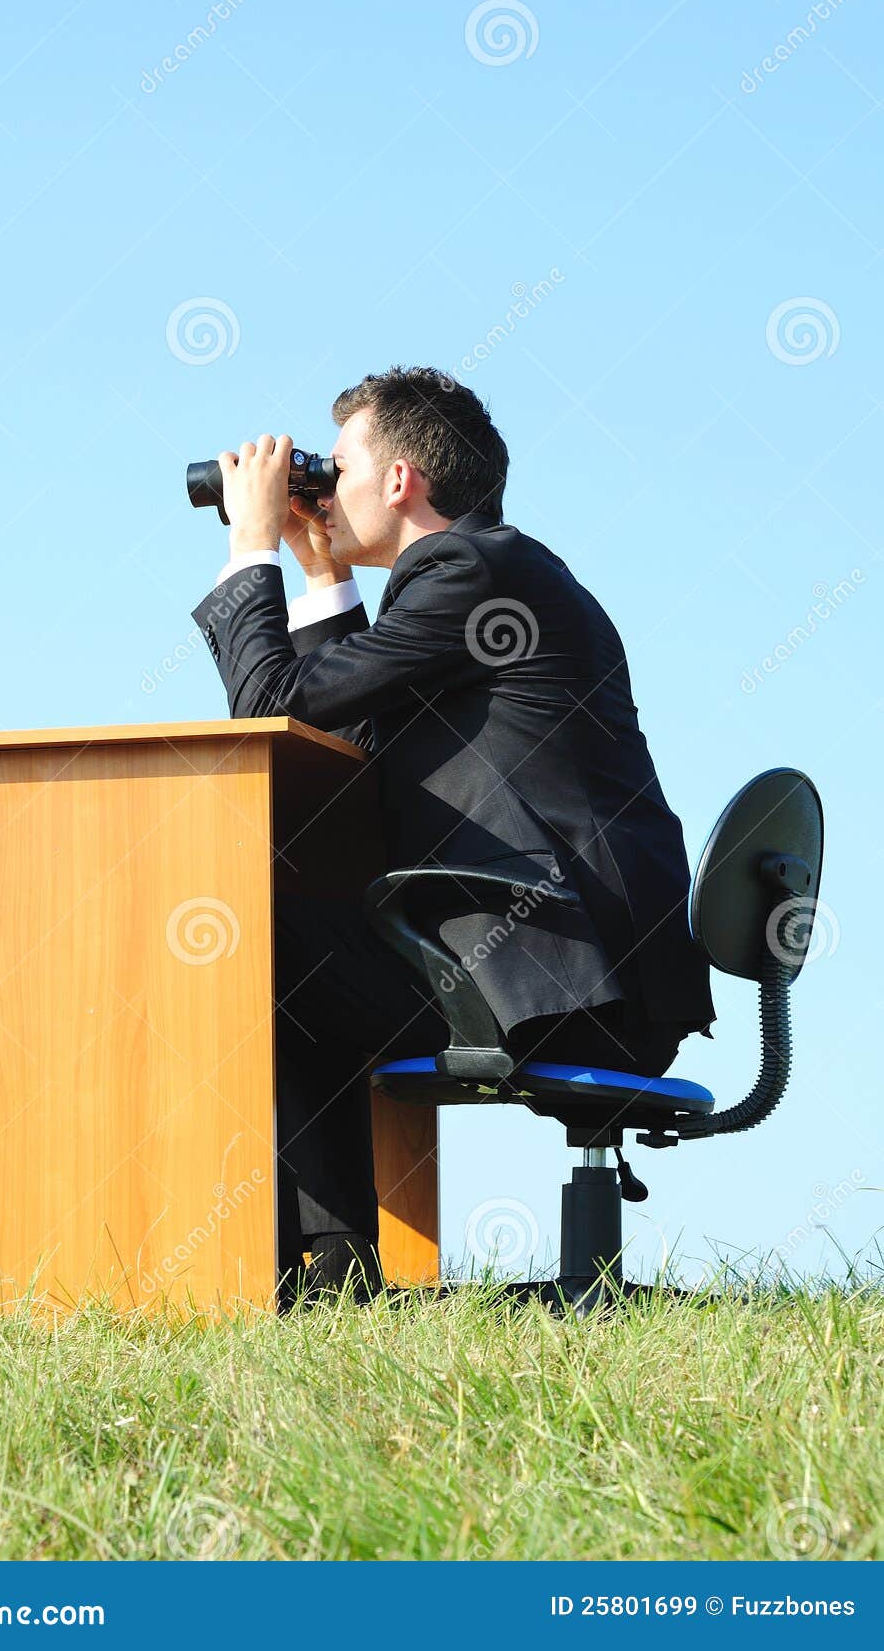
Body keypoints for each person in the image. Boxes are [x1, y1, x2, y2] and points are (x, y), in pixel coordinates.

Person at [190, 367, 714, 1301]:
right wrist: (319, 571)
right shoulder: (488, 574)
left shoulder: (470, 571)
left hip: (555, 969)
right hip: (584, 967)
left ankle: (326, 1271)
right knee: (291, 942)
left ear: (398, 481)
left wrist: (251, 545)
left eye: (334, 464)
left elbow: (267, 704)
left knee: (255, 950)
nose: (318, 482)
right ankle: (331, 1271)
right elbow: (339, 738)